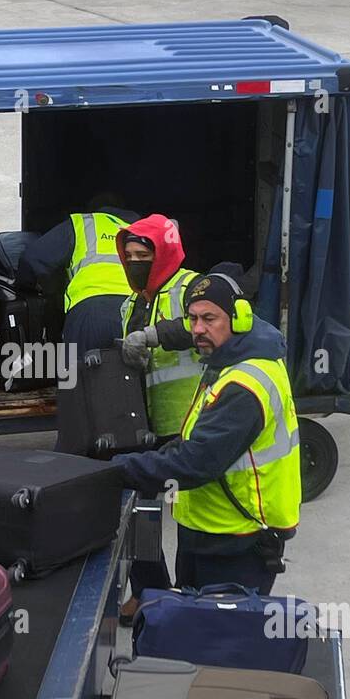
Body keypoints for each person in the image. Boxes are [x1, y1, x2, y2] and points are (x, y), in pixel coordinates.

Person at [113, 268, 301, 599]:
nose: (198, 329)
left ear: (239, 318)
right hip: (207, 529)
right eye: (193, 319)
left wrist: (120, 469)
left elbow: (196, 463)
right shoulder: (227, 359)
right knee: (195, 629)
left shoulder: (245, 384)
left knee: (219, 642)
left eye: (209, 318)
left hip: (234, 540)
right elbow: (195, 441)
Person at [111, 213, 204, 623]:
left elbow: (204, 325)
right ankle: (151, 590)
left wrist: (152, 336)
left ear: (162, 252)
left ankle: (191, 595)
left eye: (142, 254)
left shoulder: (191, 286)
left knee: (191, 514)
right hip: (146, 425)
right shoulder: (132, 303)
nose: (134, 262)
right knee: (140, 515)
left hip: (192, 421)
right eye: (128, 255)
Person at [15, 199, 142, 356]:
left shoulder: (83, 222)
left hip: (90, 313)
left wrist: (23, 287)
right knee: (134, 378)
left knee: (79, 377)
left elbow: (32, 259)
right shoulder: (142, 232)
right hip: (136, 312)